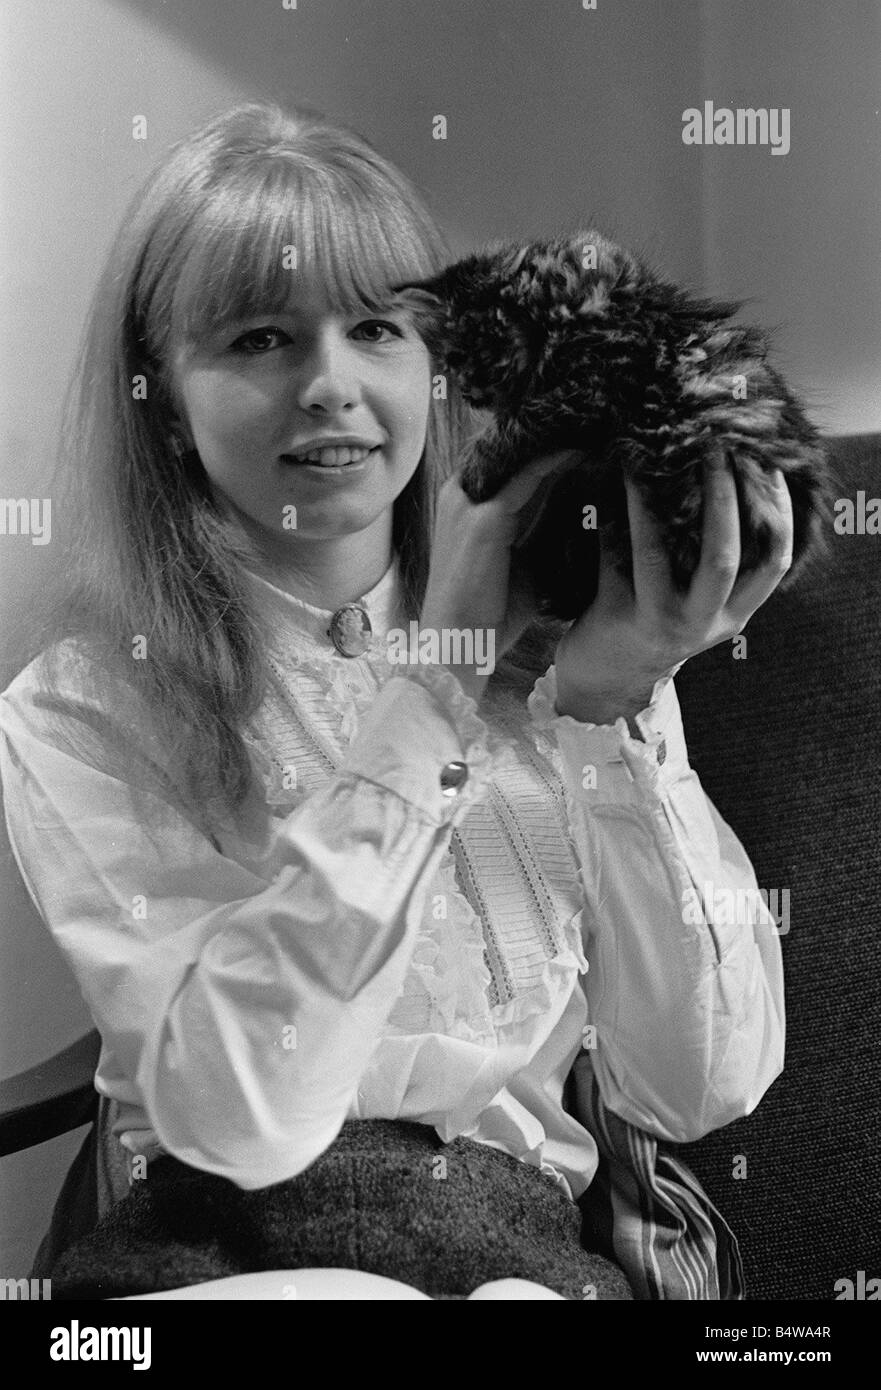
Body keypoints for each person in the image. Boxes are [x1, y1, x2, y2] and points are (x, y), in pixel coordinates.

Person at [0, 100, 792, 1301]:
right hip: (217, 1255)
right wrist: (435, 690)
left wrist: (629, 704)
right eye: (259, 338)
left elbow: (696, 1089)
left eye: (376, 326)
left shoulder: (574, 647)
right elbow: (246, 1116)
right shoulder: (80, 705)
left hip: (518, 1249)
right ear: (158, 392)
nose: (329, 385)